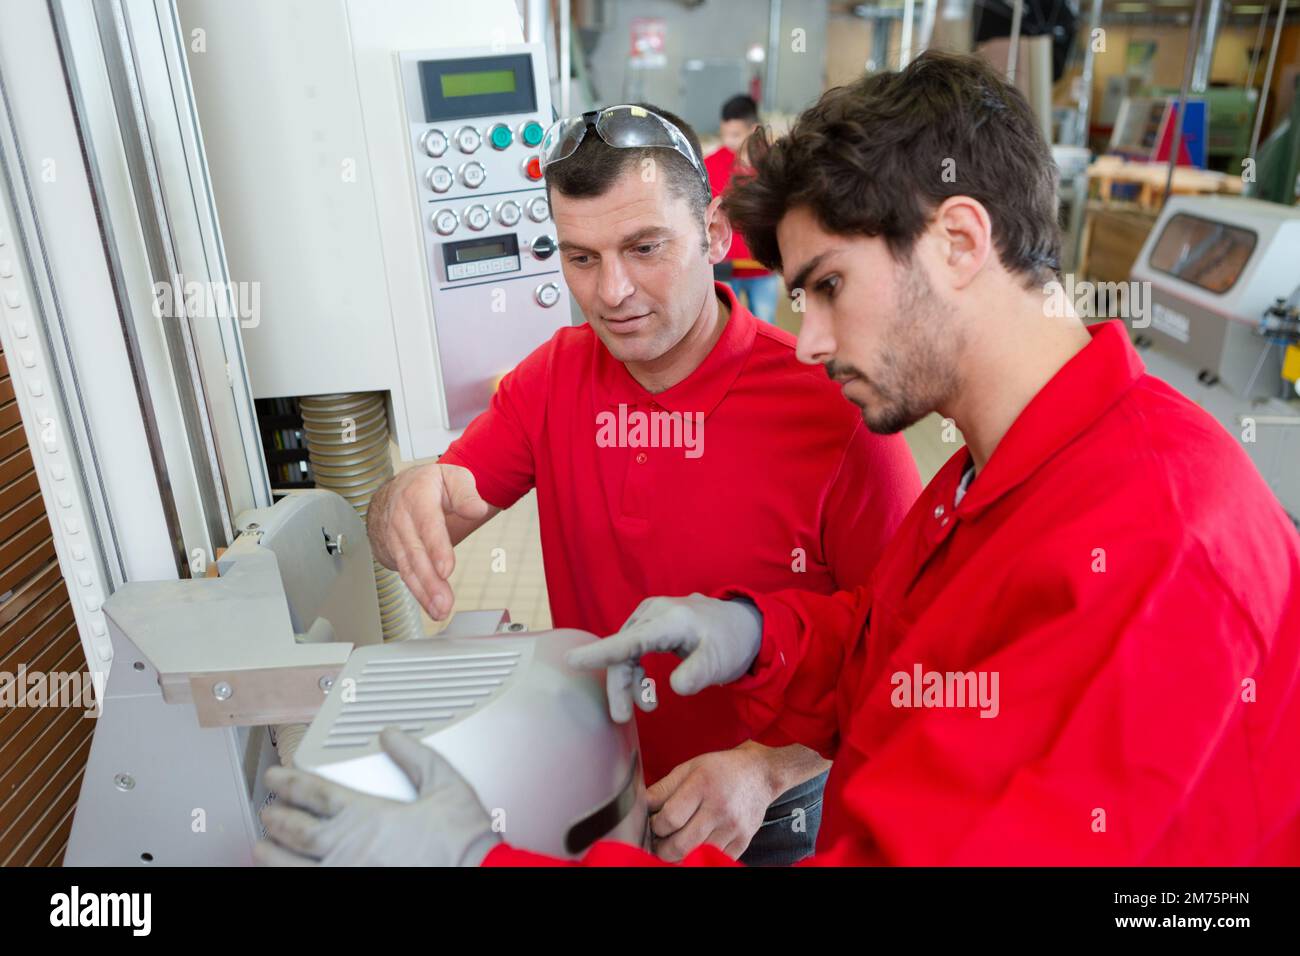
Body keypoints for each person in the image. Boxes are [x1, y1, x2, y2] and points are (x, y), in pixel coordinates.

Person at [256, 52, 1300, 868]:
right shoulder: (991, 471)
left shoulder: (1157, 538)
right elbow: (901, 650)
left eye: (830, 285)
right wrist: (757, 628)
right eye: (581, 259)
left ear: (957, 240)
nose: (805, 339)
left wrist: (480, 857)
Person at [347, 103, 920, 866]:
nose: (612, 291)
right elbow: (440, 503)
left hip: (762, 818)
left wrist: (766, 768)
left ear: (714, 234)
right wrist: (400, 501)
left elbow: (906, 655)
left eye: (645, 247)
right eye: (580, 257)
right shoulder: (552, 379)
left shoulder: (834, 414)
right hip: (602, 788)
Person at [706, 95, 780, 325]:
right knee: (723, 328)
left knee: (766, 326)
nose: (729, 140)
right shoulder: (711, 164)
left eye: (736, 135)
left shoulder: (773, 166)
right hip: (724, 269)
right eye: (725, 134)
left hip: (763, 267)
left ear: (754, 129)